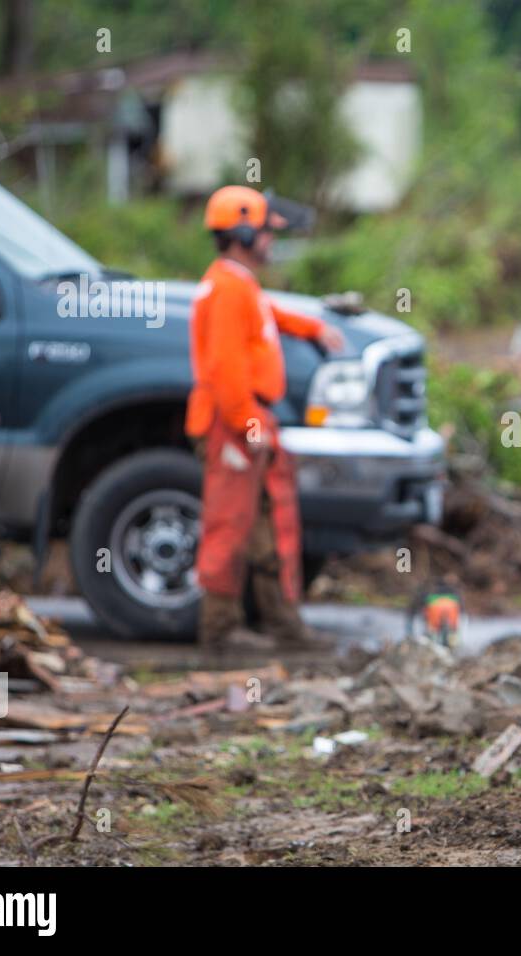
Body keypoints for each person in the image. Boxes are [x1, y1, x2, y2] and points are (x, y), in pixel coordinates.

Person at [189, 185, 345, 652]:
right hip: (234, 424)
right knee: (229, 525)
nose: (271, 241)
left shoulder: (237, 284)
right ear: (241, 233)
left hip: (249, 421)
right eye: (264, 232)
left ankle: (283, 626)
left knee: (267, 528)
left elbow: (264, 315)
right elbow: (225, 371)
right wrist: (249, 427)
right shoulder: (226, 290)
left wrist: (313, 325)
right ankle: (218, 632)